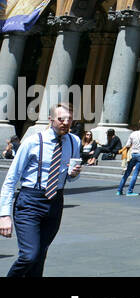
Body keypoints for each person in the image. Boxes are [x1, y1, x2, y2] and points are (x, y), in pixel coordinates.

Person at [0, 102, 82, 276]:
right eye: (61, 119)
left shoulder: (74, 141)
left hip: (55, 202)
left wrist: (73, 174)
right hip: (30, 201)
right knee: (29, 256)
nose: (66, 123)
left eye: (69, 119)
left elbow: (71, 177)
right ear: (51, 119)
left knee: (40, 256)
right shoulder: (32, 142)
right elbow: (11, 179)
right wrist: (4, 215)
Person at [117, 119, 140, 197]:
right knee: (135, 173)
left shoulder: (133, 133)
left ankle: (119, 190)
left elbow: (128, 144)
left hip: (133, 154)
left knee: (127, 173)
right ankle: (129, 191)